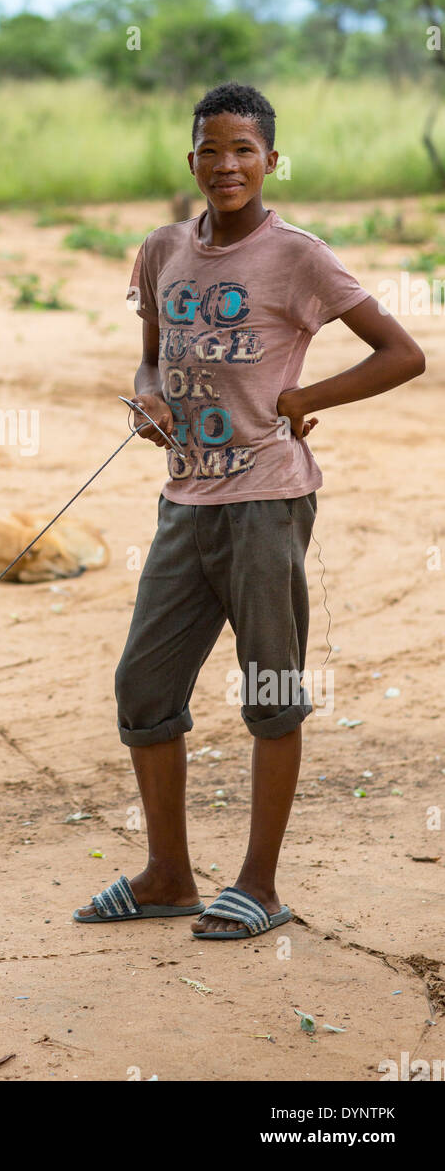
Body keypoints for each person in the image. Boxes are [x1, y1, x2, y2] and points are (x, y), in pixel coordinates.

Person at [74, 82, 425, 939]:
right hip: (184, 501)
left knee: (270, 691)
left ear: (270, 160)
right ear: (188, 159)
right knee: (143, 686)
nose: (224, 165)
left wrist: (308, 394)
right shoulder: (161, 251)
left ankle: (258, 886)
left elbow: (401, 353)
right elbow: (150, 362)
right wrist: (149, 400)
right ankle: (166, 877)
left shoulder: (296, 256)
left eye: (243, 150)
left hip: (267, 499)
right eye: (209, 149)